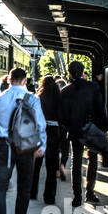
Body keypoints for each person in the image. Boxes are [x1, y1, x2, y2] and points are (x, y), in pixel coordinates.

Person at [0, 67, 46, 214]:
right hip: (26, 147)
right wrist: (42, 146)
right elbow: (41, 125)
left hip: (4, 146)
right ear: (25, 81)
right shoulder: (33, 99)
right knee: (24, 187)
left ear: (9, 80)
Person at [61, 60, 108, 205]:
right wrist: (103, 128)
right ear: (83, 72)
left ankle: (77, 197)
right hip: (91, 129)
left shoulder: (65, 91)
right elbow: (100, 109)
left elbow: (63, 115)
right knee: (92, 160)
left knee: (76, 163)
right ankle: (90, 193)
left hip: (75, 131)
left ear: (69, 73)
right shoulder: (93, 87)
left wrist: (69, 126)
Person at [30, 74, 64, 205]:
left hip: (40, 132)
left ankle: (32, 192)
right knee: (52, 166)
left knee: (36, 164)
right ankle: (49, 197)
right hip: (54, 132)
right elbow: (62, 116)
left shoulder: (39, 98)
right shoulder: (59, 98)